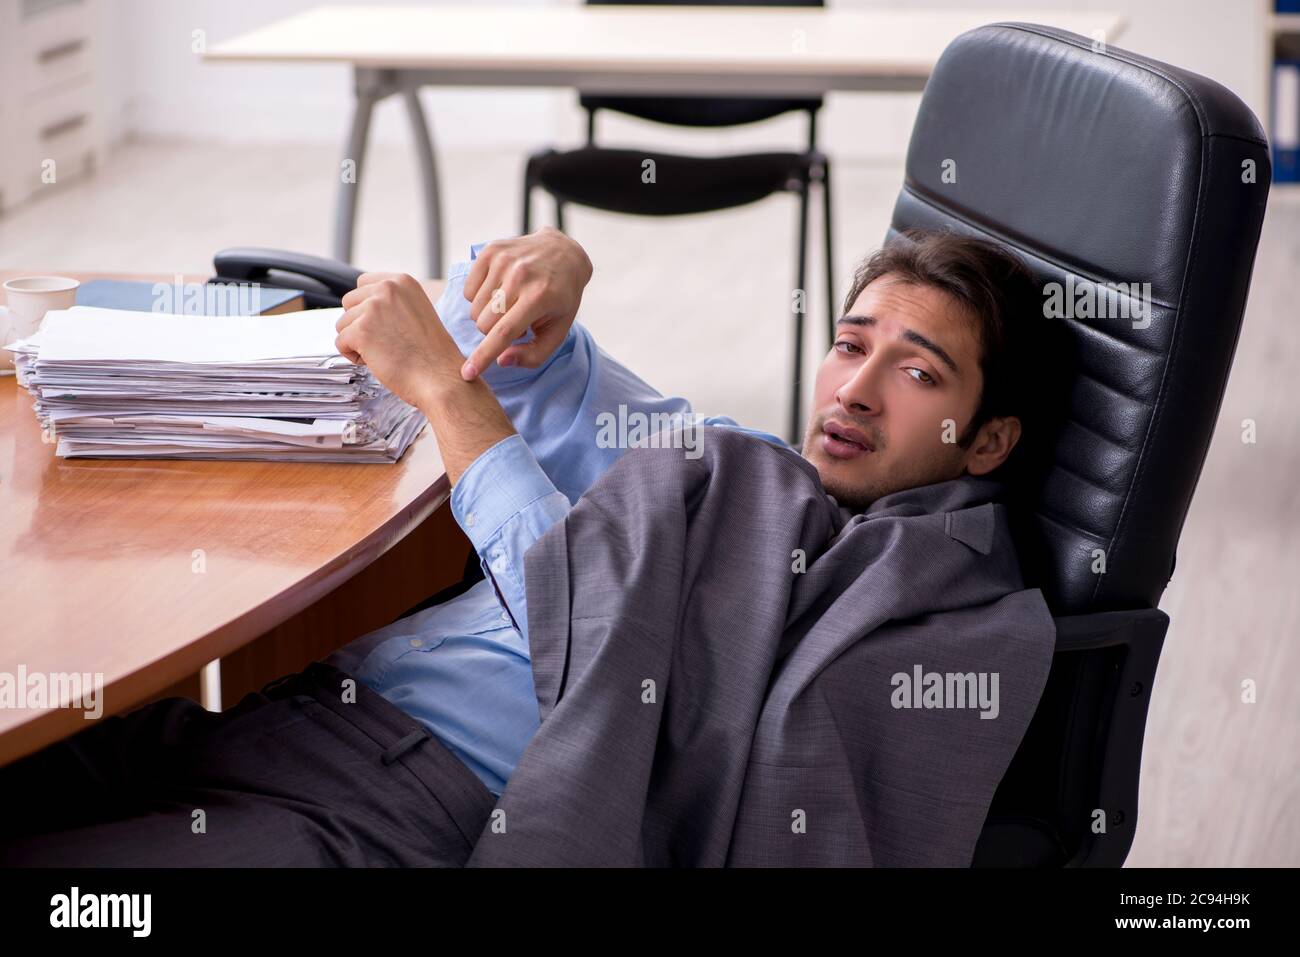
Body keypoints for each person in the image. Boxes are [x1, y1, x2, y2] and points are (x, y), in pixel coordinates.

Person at [0, 226, 1052, 866]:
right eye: (849, 345)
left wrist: (438, 399)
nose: (856, 391)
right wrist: (552, 265)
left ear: (990, 439)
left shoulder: (884, 595)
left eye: (918, 374)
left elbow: (586, 622)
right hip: (287, 720)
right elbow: (536, 370)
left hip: (394, 816)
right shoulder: (742, 466)